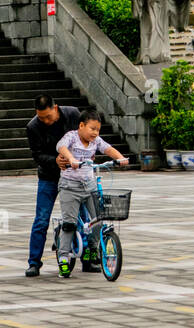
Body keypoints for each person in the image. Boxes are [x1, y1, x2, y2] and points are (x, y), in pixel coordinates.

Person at [55, 111, 128, 277]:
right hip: (69, 186)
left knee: (98, 220)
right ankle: (64, 259)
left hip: (89, 185)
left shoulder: (96, 141)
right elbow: (61, 146)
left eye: (98, 130)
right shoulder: (72, 137)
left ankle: (92, 250)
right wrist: (71, 159)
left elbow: (108, 148)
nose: (95, 133)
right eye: (92, 129)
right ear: (81, 126)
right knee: (69, 224)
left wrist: (121, 158)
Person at [24, 94, 81, 277]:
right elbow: (37, 155)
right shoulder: (33, 127)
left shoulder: (72, 114)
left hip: (74, 176)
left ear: (55, 108)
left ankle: (89, 259)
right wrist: (55, 161)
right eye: (41, 118)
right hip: (49, 176)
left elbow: (84, 136)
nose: (46, 121)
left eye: (48, 117)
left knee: (84, 219)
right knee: (41, 220)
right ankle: (34, 263)